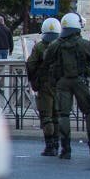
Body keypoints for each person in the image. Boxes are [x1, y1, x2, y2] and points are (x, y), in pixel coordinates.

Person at [44, 12, 90, 159]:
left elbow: (46, 58)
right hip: (79, 81)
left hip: (62, 82)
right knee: (89, 111)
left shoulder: (56, 43)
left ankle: (66, 150)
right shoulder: (82, 43)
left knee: (64, 114)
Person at [26, 18, 61, 156]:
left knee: (46, 116)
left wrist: (33, 80)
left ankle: (49, 146)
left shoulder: (40, 47)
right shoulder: (61, 46)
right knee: (56, 116)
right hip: (59, 84)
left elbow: (31, 64)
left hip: (45, 85)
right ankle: (57, 144)